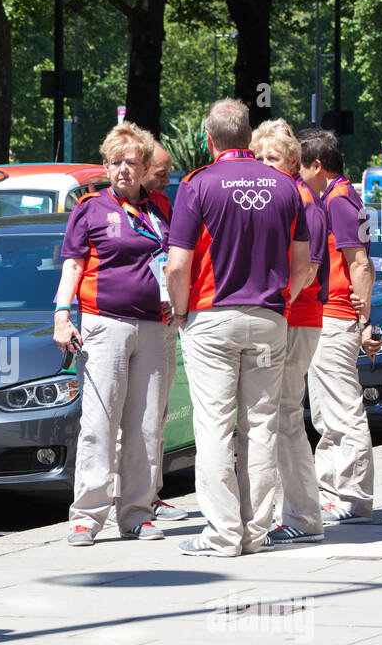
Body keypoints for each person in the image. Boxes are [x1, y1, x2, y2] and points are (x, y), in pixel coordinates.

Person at [165, 98, 312, 556]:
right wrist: (282, 301)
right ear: (250, 138)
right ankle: (256, 529)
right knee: (262, 424)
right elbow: (305, 265)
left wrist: (181, 311)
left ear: (208, 140)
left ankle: (223, 533)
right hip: (269, 317)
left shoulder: (197, 185)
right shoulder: (286, 186)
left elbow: (176, 266)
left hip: (212, 315)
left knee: (213, 426)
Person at [54, 122, 174, 546]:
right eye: (117, 162)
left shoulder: (161, 208)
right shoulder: (90, 208)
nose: (125, 169)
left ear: (144, 169)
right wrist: (61, 315)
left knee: (145, 426)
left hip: (155, 325)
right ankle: (87, 515)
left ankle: (138, 512)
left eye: (133, 162)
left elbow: (176, 263)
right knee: (99, 423)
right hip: (104, 323)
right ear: (106, 167)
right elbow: (71, 265)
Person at [248, 120, 328, 545]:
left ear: (294, 162)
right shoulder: (278, 198)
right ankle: (297, 512)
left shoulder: (303, 201)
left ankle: (301, 515)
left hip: (296, 318)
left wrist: (279, 306)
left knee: (285, 416)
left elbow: (309, 266)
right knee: (281, 416)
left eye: (272, 158)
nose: (264, 165)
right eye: (258, 158)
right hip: (287, 315)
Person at [297, 128, 379, 525]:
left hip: (335, 315)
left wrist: (363, 320)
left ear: (317, 165)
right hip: (337, 315)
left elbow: (360, 263)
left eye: (301, 166)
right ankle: (335, 493)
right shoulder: (342, 197)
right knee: (329, 414)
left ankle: (350, 496)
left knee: (341, 411)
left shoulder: (339, 200)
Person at [137, 142, 187, 523]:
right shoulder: (106, 208)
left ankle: (150, 495)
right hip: (129, 321)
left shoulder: (162, 207)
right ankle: (122, 497)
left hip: (164, 319)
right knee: (128, 416)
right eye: (162, 172)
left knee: (157, 412)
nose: (168, 179)